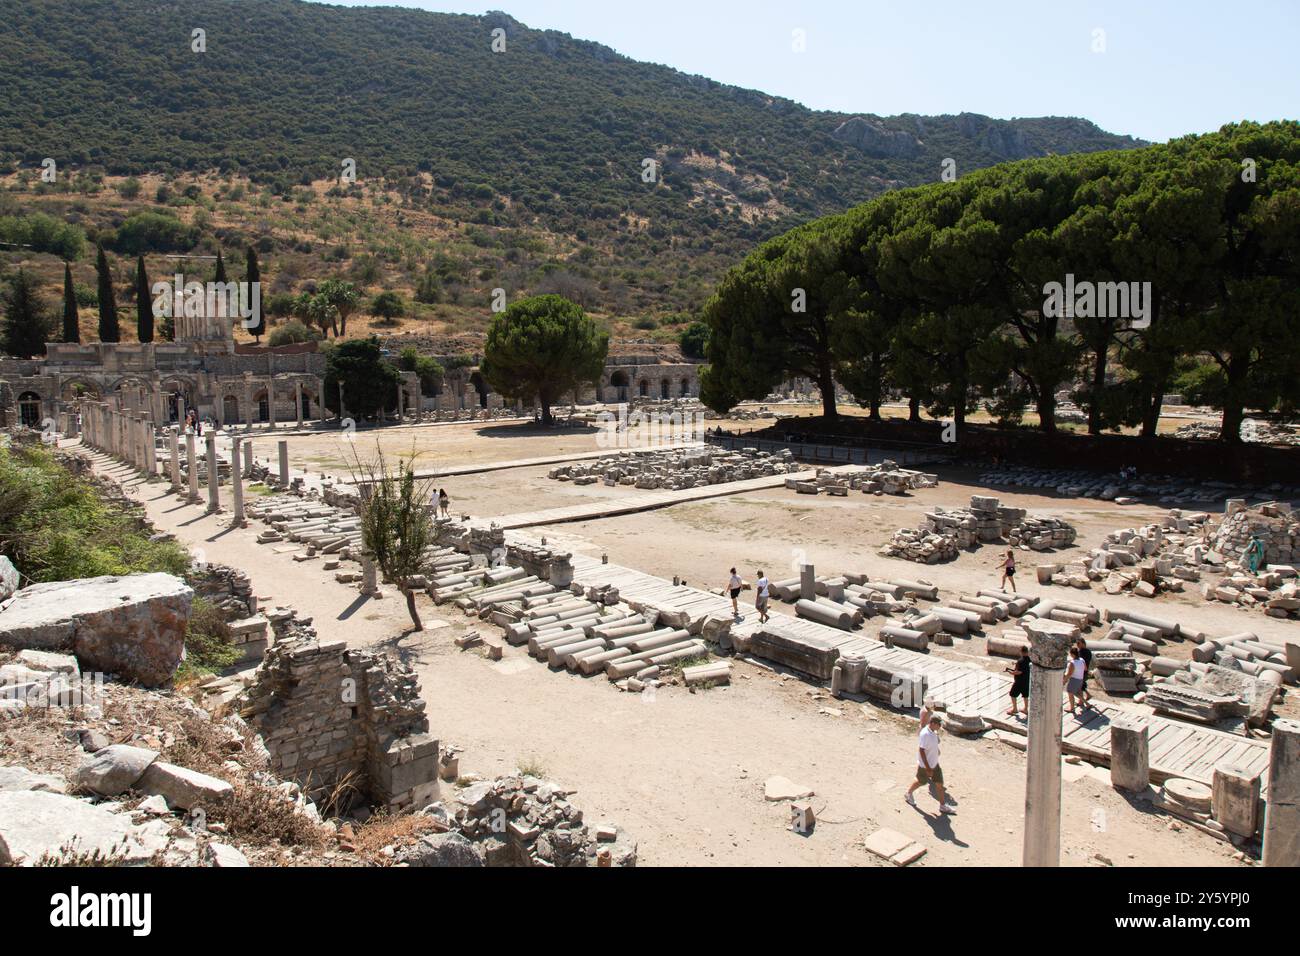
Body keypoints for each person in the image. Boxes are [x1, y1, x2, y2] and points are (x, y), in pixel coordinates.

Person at [905, 715, 957, 814]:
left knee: (940, 784)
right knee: (921, 781)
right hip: (925, 766)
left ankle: (942, 806)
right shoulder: (925, 734)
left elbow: (934, 743)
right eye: (939, 724)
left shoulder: (933, 732)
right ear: (933, 723)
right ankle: (908, 793)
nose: (940, 726)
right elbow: (921, 750)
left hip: (935, 764)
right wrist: (928, 768)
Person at [1006, 645, 1030, 717]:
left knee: (1012, 694)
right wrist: (1016, 664)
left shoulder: (1021, 661)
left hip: (1019, 681)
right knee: (1025, 695)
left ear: (1021, 651)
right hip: (1027, 680)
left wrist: (1011, 672)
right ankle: (1025, 709)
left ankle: (1015, 709)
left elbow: (1019, 672)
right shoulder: (1030, 659)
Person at [1063, 646, 1087, 716]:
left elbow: (1069, 674)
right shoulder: (1082, 660)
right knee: (1079, 692)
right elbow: (1085, 668)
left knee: (1070, 693)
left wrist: (1064, 681)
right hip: (1081, 678)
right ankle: (1082, 703)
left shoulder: (1072, 663)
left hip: (1074, 679)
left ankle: (1072, 708)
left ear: (1073, 654)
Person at [1075, 637, 1093, 708]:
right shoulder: (1088, 651)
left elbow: (1080, 663)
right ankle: (1088, 695)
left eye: (1078, 643)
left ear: (1083, 643)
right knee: (1082, 685)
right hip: (1085, 672)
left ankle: (1081, 702)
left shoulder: (1081, 652)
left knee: (1078, 687)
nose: (1077, 645)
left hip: (1081, 672)